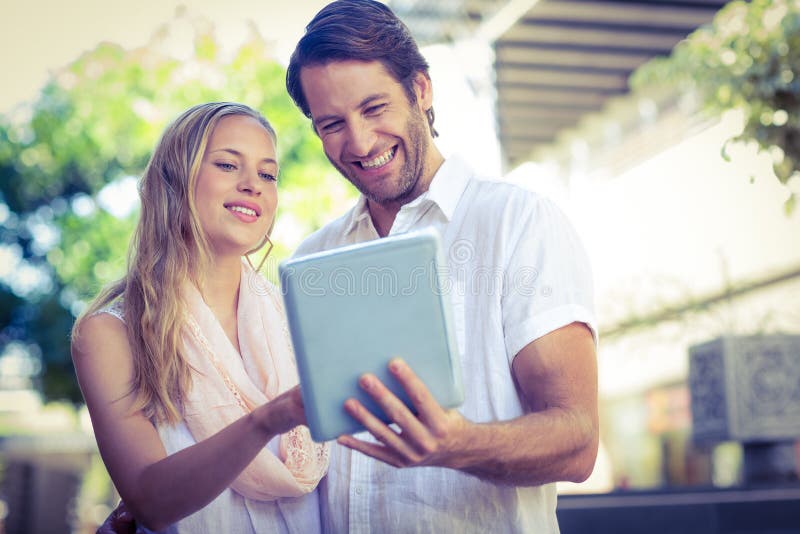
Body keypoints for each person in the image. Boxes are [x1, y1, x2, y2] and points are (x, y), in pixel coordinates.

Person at [284, 1, 599, 532]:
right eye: (332, 123)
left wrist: (458, 445)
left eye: (375, 108)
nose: (359, 143)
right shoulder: (311, 259)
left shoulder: (517, 221)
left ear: (421, 90)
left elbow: (579, 441)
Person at [71, 102, 328, 533]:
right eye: (228, 165)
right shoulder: (110, 335)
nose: (254, 186)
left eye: (268, 174)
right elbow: (150, 500)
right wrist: (267, 419)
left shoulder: (300, 317)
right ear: (175, 180)